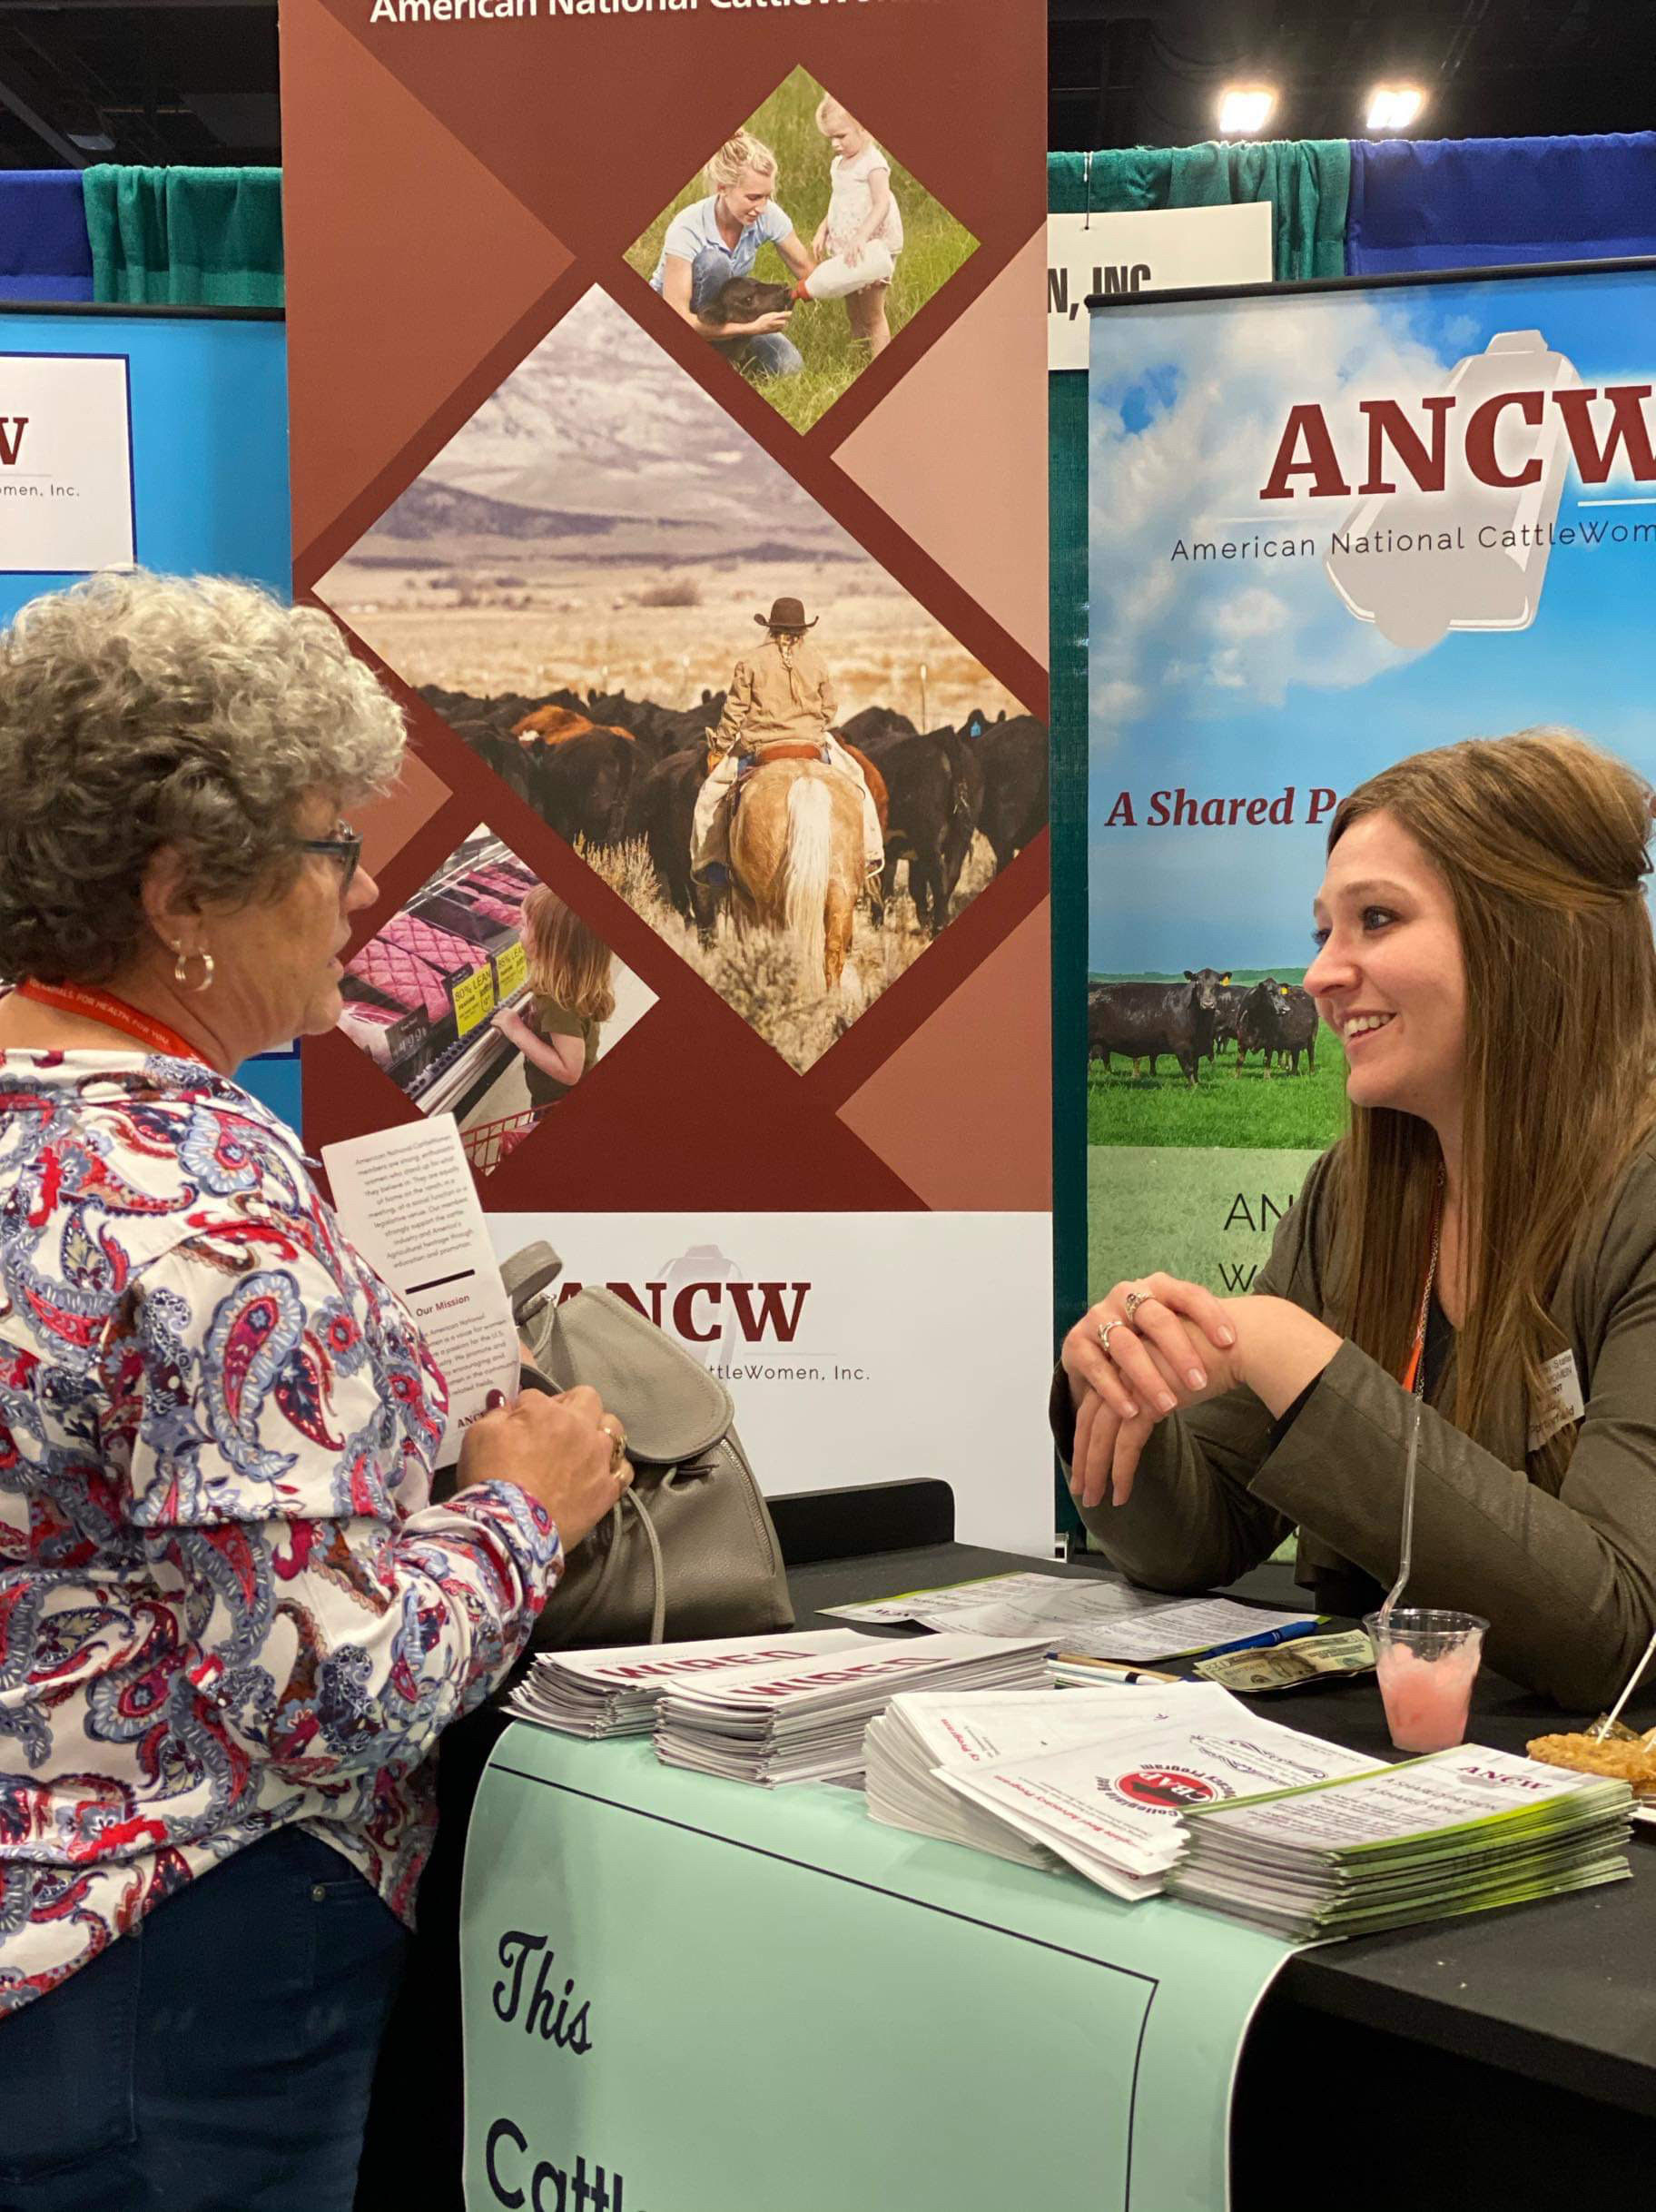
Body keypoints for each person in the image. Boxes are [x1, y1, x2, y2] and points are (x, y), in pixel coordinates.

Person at [0, 571, 633, 2209]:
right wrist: (522, 1503)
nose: (359, 896)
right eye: (323, 847)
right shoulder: (207, 1195)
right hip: (181, 1966)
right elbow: (318, 1682)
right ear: (178, 893)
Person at [1057, 728, 1656, 1713]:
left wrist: (1299, 1358)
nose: (1319, 979)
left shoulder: (1639, 1201)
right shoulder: (1355, 1193)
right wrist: (1125, 1400)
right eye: (1322, 932)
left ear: (1530, 938)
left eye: (1376, 920)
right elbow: (1194, 1544)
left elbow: (1621, 1637)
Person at [691, 597, 885, 896]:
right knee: (859, 784)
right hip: (812, 745)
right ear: (803, 630)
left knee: (711, 795)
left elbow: (734, 713)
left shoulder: (750, 662)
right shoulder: (816, 660)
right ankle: (870, 854)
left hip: (761, 745)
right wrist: (810, 724)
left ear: (770, 628)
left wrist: (720, 746)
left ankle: (712, 862)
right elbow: (830, 708)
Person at [651, 133, 813, 379]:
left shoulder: (766, 215)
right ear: (722, 189)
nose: (762, 207)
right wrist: (751, 328)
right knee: (715, 263)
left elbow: (809, 272)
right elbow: (679, 321)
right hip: (676, 319)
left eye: (767, 196)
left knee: (790, 367)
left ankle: (728, 351)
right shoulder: (687, 228)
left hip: (730, 312)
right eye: (753, 197)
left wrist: (855, 273)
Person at [490, 884, 615, 1111]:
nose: (519, 931)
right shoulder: (569, 980)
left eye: (525, 925)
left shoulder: (558, 1001)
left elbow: (569, 1072)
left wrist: (516, 1030)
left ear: (547, 944)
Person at [811, 95, 904, 359]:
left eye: (840, 135)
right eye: (830, 138)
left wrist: (862, 237)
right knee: (852, 308)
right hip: (846, 247)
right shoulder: (838, 164)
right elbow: (837, 201)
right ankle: (857, 359)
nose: (834, 143)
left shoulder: (873, 164)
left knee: (872, 313)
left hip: (870, 245)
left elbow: (882, 203)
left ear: (863, 127)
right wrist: (823, 229)